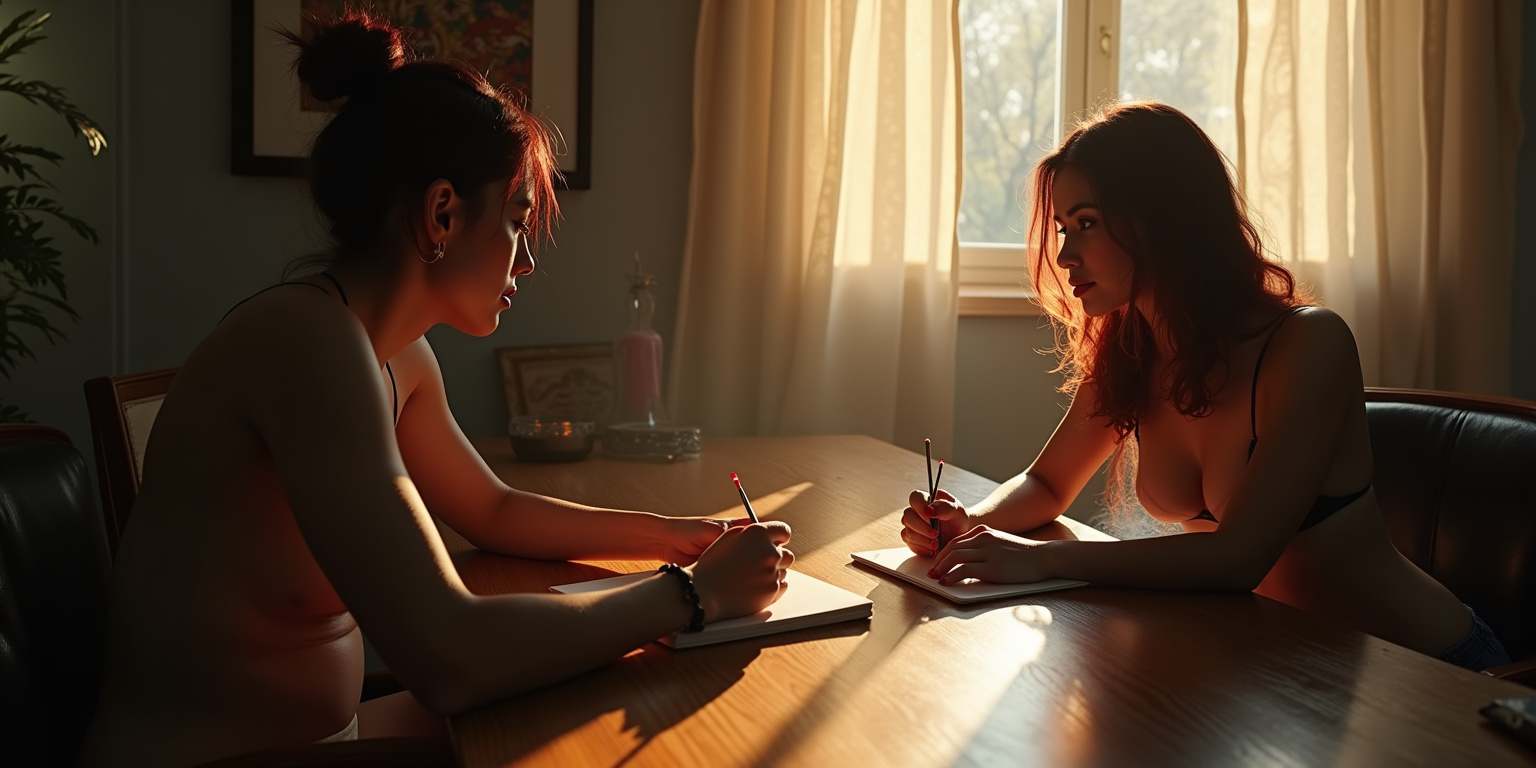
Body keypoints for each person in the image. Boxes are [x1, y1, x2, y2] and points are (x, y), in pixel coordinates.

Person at [78, 11, 793, 767]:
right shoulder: (305, 343)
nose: (526, 262)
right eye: (517, 222)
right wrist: (691, 595)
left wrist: (668, 535)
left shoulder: (394, 355)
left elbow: (493, 510)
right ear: (442, 212)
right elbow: (450, 656)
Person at [899, 101, 1508, 672]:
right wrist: (969, 526)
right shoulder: (1129, 349)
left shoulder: (1307, 344)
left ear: (1161, 218)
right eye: (1061, 228)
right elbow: (1048, 482)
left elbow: (1238, 556)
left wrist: (1038, 558)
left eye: (1084, 224)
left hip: (1428, 675)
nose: (1064, 255)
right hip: (1280, 673)